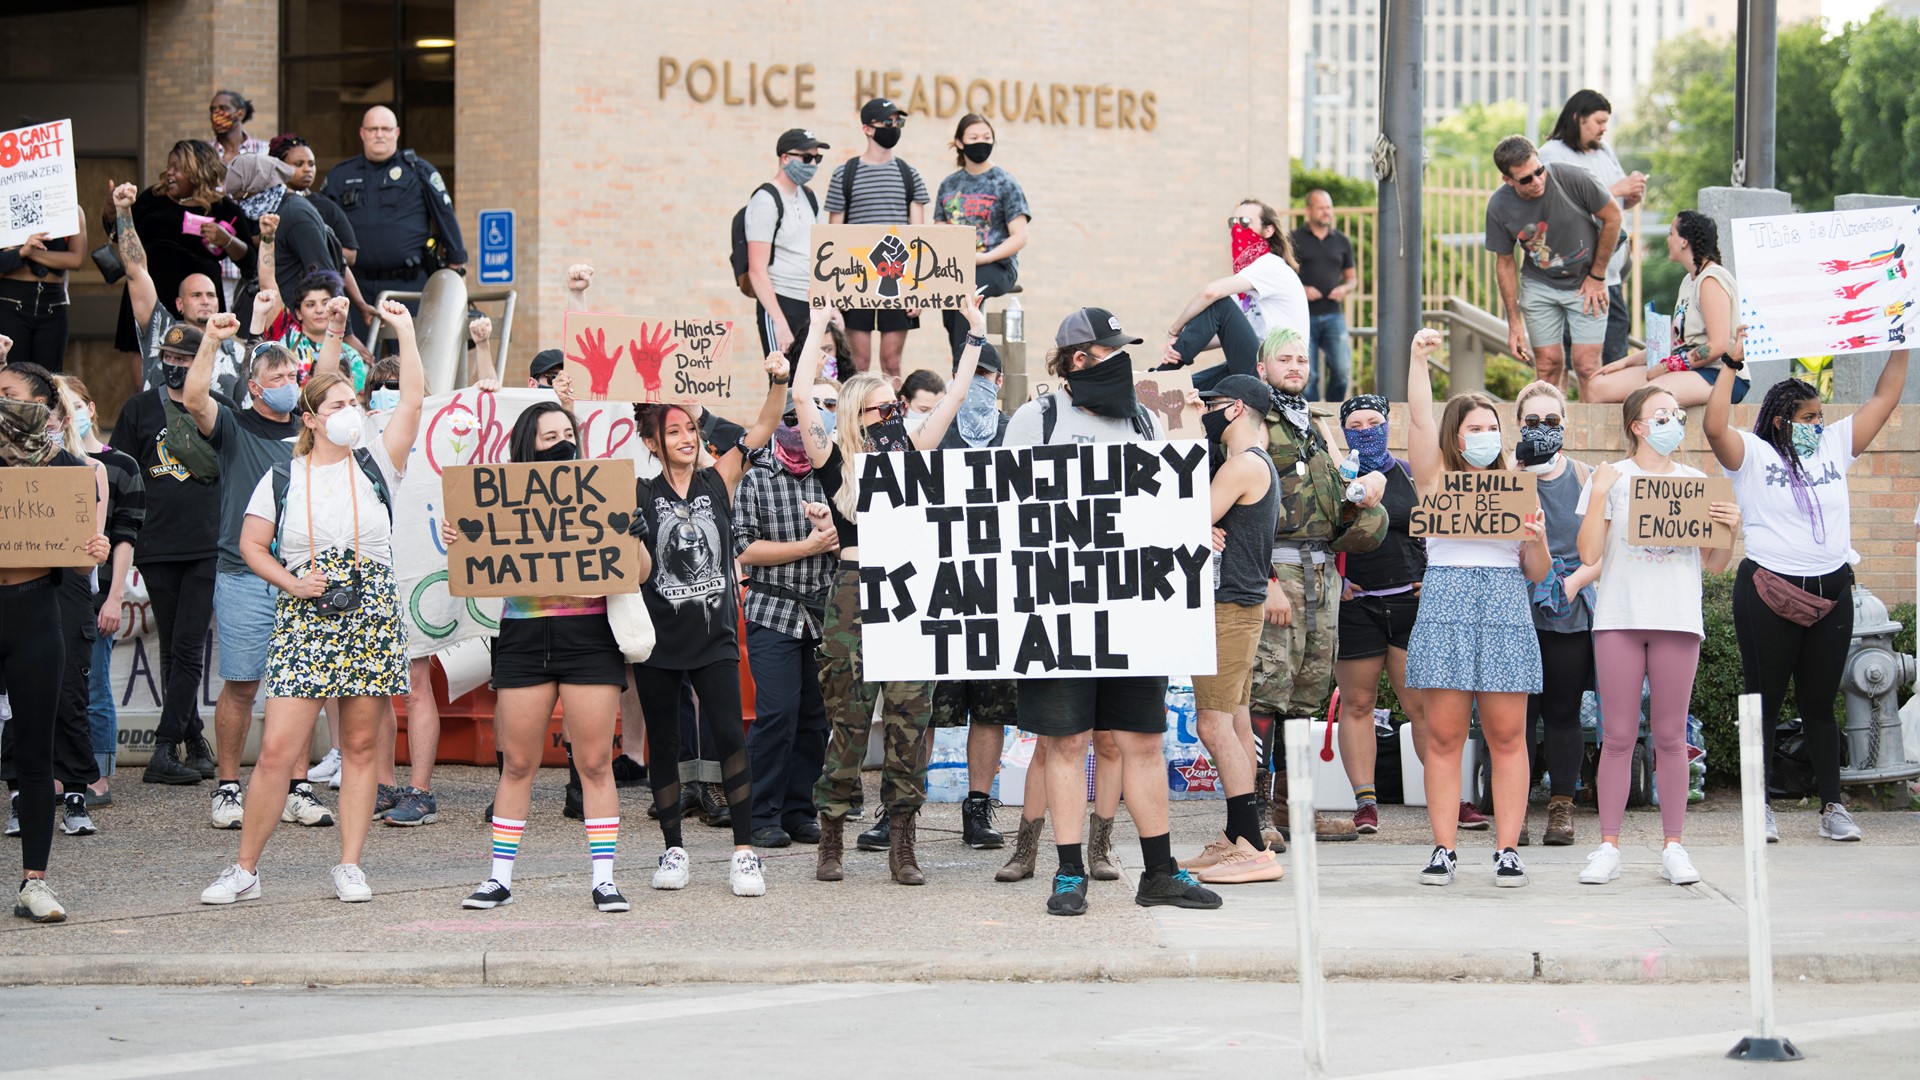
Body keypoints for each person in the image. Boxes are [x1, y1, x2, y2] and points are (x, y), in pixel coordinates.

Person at [199, 300, 423, 906]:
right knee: (276, 749)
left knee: (358, 747)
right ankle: (245, 867)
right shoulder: (282, 476)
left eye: (354, 402)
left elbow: (411, 403)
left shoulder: (378, 463)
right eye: (338, 406)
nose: (351, 412)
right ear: (313, 419)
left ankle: (349, 865)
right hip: (306, 611)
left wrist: (403, 330)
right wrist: (290, 583)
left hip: (368, 610)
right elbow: (250, 543)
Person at [999, 306, 1222, 916]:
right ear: (1080, 360)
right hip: (1059, 608)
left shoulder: (1147, 421)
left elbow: (1167, 503)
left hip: (1135, 610)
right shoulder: (1036, 418)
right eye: (1113, 351)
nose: (1125, 362)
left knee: (1144, 742)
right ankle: (1068, 873)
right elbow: (997, 507)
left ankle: (1159, 873)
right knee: (1067, 744)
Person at [790, 300, 982, 886]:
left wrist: (973, 335)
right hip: (853, 587)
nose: (889, 415)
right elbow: (801, 395)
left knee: (909, 716)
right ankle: (831, 836)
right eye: (879, 408)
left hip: (909, 590)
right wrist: (821, 325)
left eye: (893, 407)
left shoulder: (914, 450)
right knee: (848, 718)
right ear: (857, 413)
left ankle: (904, 840)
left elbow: (951, 399)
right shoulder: (836, 459)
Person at [1705, 339, 1908, 843]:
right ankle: (1761, 808)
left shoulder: (1835, 445)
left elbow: (1884, 398)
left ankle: (1833, 807)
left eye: (1821, 417)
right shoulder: (1752, 454)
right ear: (1781, 420)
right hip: (1769, 589)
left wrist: (1904, 342)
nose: (1819, 424)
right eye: (1809, 417)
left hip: (1832, 592)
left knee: (1820, 704)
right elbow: (1712, 426)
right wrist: (1730, 363)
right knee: (1763, 702)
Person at [452, 402, 640, 912]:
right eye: (547, 435)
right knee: (516, 763)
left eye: (566, 433)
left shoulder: (602, 492)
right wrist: (461, 539)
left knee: (596, 762)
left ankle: (604, 880)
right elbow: (477, 563)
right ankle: (498, 878)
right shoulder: (499, 500)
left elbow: (638, 571)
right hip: (524, 637)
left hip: (589, 637)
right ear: (526, 445)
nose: (560, 442)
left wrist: (632, 532)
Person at [629, 351, 789, 898]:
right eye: (673, 431)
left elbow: (763, 428)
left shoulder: (718, 480)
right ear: (652, 442)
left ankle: (744, 853)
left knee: (728, 737)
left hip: (715, 636)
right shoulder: (638, 495)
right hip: (657, 640)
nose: (686, 437)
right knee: (667, 741)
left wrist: (778, 380)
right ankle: (673, 847)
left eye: (690, 428)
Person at [1404, 326, 1552, 887]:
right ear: (1457, 437)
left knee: (1508, 736)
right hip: (1446, 603)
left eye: (1493, 427)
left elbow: (1537, 572)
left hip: (1506, 607)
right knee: (1443, 736)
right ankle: (1443, 849)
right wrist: (1419, 361)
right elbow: (1419, 421)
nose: (1486, 435)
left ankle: (1508, 849)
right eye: (1475, 428)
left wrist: (1536, 538)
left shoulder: (1521, 483)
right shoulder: (1437, 480)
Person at [1576, 385, 1741, 885]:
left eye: (1677, 413)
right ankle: (1608, 846)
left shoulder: (1696, 481)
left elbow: (1714, 565)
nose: (1673, 421)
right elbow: (1587, 556)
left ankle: (1674, 846)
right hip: (1620, 618)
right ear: (1637, 426)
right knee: (1619, 736)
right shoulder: (1612, 477)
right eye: (1661, 414)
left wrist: (1731, 530)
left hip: (1677, 619)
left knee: (1670, 737)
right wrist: (1601, 493)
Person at [189, 292, 336, 831]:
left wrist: (335, 333)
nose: (289, 382)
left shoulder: (310, 433)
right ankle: (228, 787)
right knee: (243, 683)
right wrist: (210, 339)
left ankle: (297, 787)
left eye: (293, 373)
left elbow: (330, 388)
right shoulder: (232, 427)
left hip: (303, 574)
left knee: (299, 686)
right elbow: (194, 396)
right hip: (243, 573)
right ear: (254, 386)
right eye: (277, 375)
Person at [1237, 327, 1385, 848]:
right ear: (1263, 367)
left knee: (1306, 695)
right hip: (1277, 571)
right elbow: (1240, 508)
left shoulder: (1316, 425)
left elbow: (1341, 495)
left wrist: (1368, 492)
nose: (1296, 366)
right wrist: (1267, 581)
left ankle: (1293, 808)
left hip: (1322, 574)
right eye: (1285, 358)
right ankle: (1252, 814)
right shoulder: (1254, 421)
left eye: (1302, 358)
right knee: (1265, 691)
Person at [0, 365, 111, 922]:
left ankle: (34, 882)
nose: (1, 403)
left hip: (34, 615)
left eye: (9, 395)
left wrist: (96, 544)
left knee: (37, 753)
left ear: (44, 406)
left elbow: (81, 536)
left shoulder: (65, 468)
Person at [114, 310, 233, 788]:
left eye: (185, 356)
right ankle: (194, 738)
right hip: (157, 543)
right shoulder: (138, 409)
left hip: (206, 542)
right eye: (169, 355)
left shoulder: (217, 407)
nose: (176, 363)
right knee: (174, 648)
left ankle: (165, 748)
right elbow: (121, 469)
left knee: (185, 646)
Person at [1179, 374, 1285, 884]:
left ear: (1237, 409)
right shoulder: (1253, 463)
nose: (1205, 411)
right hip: (1240, 606)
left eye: (1212, 405)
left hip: (1228, 608)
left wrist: (1195, 523)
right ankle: (1241, 835)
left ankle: (1250, 850)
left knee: (1213, 723)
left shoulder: (1243, 464)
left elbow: (1183, 520)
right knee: (1236, 721)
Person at [735, 371, 839, 849]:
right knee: (777, 713)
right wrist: (807, 545)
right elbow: (744, 550)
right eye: (795, 416)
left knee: (815, 720)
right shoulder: (756, 478)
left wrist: (834, 541)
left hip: (822, 614)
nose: (802, 426)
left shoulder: (833, 475)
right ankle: (760, 813)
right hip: (771, 611)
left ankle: (799, 810)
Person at [1331, 393, 1438, 836]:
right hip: (1357, 607)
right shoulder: (1338, 480)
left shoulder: (1410, 476)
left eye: (1373, 421)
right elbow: (1319, 536)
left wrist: (1431, 574)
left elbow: (1438, 528)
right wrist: (1337, 585)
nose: (1365, 430)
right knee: (1357, 703)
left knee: (1421, 705)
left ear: (1388, 424)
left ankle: (1446, 793)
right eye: (1354, 425)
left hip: (1409, 603)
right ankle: (1366, 803)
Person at [1511, 381, 1599, 848]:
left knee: (1564, 711)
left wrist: (1575, 582)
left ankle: (1562, 804)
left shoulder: (1586, 476)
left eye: (1550, 421)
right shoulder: (1505, 474)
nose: (1541, 429)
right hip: (1516, 606)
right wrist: (1516, 473)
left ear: (1564, 425)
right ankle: (1515, 806)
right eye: (1532, 422)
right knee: (1518, 713)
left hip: (1569, 605)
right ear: (1518, 426)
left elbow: (1607, 548)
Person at [60, 375, 144, 806]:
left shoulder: (121, 466)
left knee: (93, 689)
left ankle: (98, 779)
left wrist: (114, 598)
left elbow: (125, 536)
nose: (68, 412)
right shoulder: (51, 466)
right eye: (60, 405)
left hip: (99, 593)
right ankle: (61, 776)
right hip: (57, 593)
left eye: (75, 403)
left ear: (91, 408)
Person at [1485, 135, 1621, 396]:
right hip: (1540, 284)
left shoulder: (1574, 178)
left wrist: (1598, 275)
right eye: (1526, 179)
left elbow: (1613, 217)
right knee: (1547, 364)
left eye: (1539, 171)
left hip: (1586, 281)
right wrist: (1514, 323)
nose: (1536, 181)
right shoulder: (1499, 206)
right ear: (1508, 180)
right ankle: (1548, 431)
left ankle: (1589, 435)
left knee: (1586, 365)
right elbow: (1504, 263)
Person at [319, 106, 466, 340]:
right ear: (362, 133)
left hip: (407, 284)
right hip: (357, 286)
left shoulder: (418, 171)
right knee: (354, 359)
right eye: (373, 128)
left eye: (385, 129)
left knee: (411, 358)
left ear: (396, 133)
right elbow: (322, 225)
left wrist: (456, 264)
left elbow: (445, 215)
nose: (379, 134)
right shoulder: (340, 175)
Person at [1583, 211, 1749, 407]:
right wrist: (1625, 362)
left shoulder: (1710, 280)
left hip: (1719, 373)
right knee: (1597, 386)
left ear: (1684, 241)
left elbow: (1717, 346)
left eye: (1671, 234)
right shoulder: (1689, 280)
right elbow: (1672, 343)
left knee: (1646, 398)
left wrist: (1667, 366)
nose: (1668, 240)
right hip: (1687, 368)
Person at [107, 141, 252, 356]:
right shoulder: (152, 198)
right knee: (147, 376)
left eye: (178, 168)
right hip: (148, 295)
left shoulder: (223, 209)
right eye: (169, 167)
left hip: (197, 304)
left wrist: (227, 240)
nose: (169, 173)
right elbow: (121, 235)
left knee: (201, 371)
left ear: (198, 171)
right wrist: (114, 210)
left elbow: (249, 263)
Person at [110, 182, 249, 404]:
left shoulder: (235, 352)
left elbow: (245, 413)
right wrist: (123, 211)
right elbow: (136, 270)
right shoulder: (161, 332)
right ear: (179, 304)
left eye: (211, 295)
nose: (205, 301)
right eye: (196, 295)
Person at [1538, 90, 1644, 368]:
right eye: (1598, 121)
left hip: (1610, 274)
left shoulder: (1605, 151)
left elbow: (1615, 207)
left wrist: (1630, 196)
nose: (1603, 128)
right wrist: (1616, 191)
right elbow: (1560, 208)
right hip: (1576, 277)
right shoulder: (1552, 154)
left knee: (1615, 357)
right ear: (1577, 118)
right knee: (1579, 363)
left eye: (1606, 122)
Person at [824, 98, 929, 379]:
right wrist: (834, 293)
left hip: (897, 276)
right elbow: (834, 236)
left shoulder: (910, 175)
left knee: (891, 363)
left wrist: (917, 289)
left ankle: (888, 421)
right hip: (856, 278)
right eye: (888, 122)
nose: (894, 127)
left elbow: (917, 236)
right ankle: (853, 421)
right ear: (868, 129)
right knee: (858, 362)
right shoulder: (845, 174)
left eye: (898, 122)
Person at [1160, 200, 1309, 390]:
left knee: (1219, 304)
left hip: (1276, 369)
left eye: (1245, 222)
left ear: (1268, 231)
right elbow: (1215, 331)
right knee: (1185, 390)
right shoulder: (1249, 282)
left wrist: (1175, 331)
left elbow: (1210, 293)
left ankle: (1159, 376)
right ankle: (1158, 383)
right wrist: (1178, 349)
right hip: (1259, 364)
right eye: (1233, 222)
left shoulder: (1270, 265)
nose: (1238, 228)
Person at [933, 113, 1031, 361]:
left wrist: (983, 258)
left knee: (966, 292)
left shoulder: (1005, 183)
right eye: (974, 137)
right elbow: (940, 231)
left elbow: (1019, 236)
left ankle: (969, 371)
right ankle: (964, 367)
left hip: (997, 266)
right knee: (953, 304)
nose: (981, 142)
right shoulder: (949, 185)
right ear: (960, 143)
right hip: (956, 268)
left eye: (987, 137)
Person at [745, 128, 829, 356]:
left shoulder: (810, 198)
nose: (812, 164)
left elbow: (825, 255)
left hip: (811, 302)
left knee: (816, 379)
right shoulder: (766, 201)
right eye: (806, 157)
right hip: (781, 301)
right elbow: (757, 270)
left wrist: (833, 308)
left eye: (817, 158)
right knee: (782, 379)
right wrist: (779, 323)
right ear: (785, 158)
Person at [0, 199, 86, 372]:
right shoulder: (5, 205)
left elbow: (77, 259)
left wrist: (29, 252)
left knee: (50, 377)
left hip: (52, 302)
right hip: (12, 300)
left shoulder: (72, 209)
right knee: (12, 374)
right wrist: (22, 251)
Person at [1289, 190, 1356, 401]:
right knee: (1309, 375)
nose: (1327, 212)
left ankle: (1334, 413)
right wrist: (1303, 289)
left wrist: (1344, 289)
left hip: (1333, 315)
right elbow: (1284, 277)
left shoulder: (1342, 241)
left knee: (1342, 370)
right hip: (1303, 316)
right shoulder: (1293, 239)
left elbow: (1352, 279)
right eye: (1321, 207)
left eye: (1329, 207)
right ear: (1309, 211)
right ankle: (1313, 417)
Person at [269, 133, 362, 275]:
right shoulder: (267, 204)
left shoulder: (325, 205)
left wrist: (315, 251)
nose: (307, 169)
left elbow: (350, 254)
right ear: (279, 166)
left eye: (311, 164)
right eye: (299, 164)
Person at [260, 270, 368, 391]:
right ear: (298, 313)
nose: (319, 310)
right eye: (310, 304)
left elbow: (354, 402)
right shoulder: (284, 334)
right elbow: (267, 282)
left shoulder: (351, 356)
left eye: (325, 303)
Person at [207, 90, 268, 164]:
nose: (216, 114)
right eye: (212, 110)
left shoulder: (265, 151)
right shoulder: (204, 152)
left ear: (241, 114)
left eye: (223, 108)